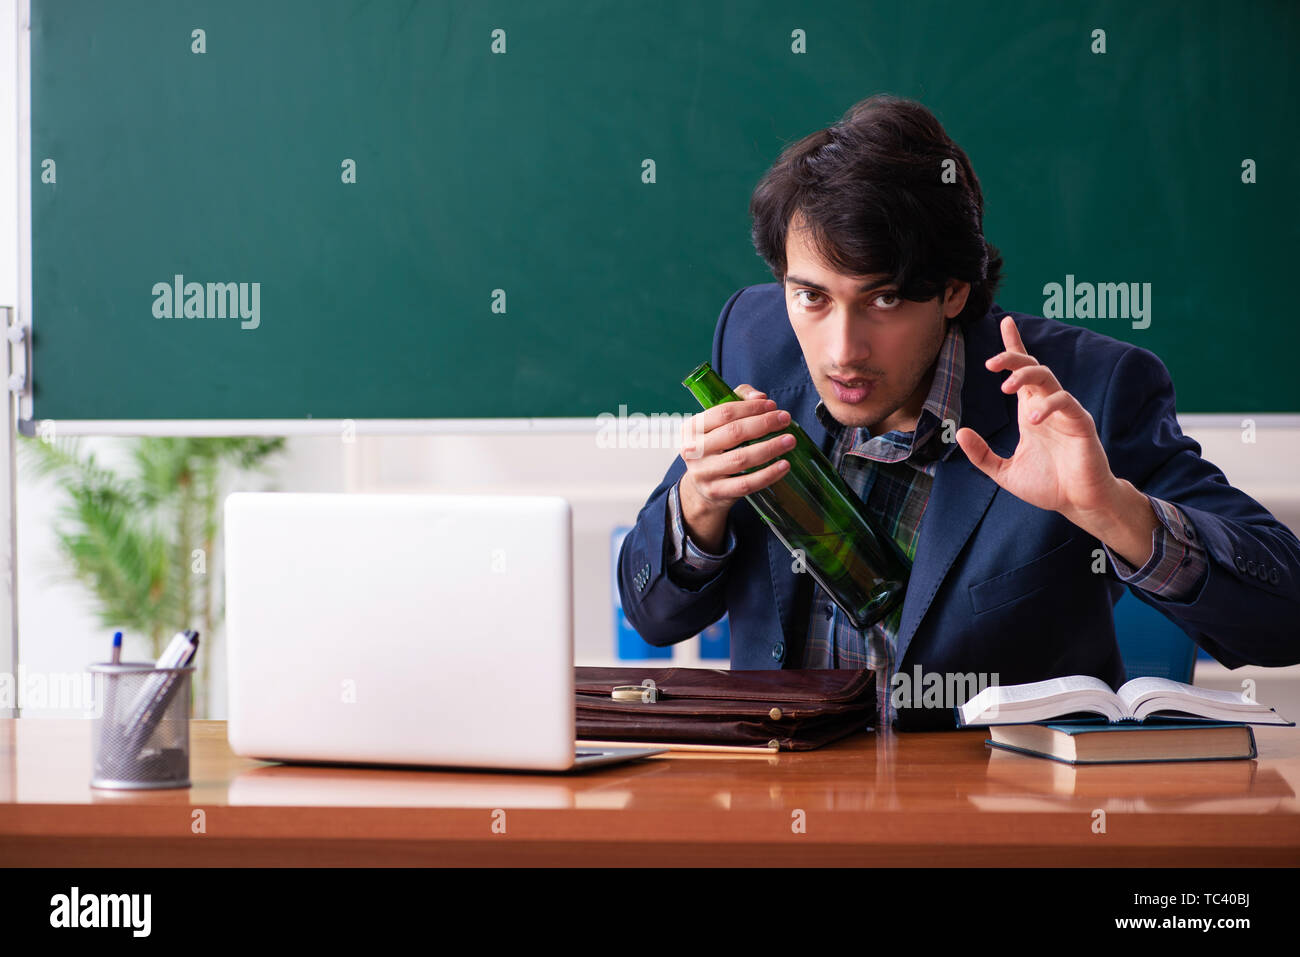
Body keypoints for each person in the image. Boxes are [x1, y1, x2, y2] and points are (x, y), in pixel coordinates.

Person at [616, 94, 1300, 730]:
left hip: (1002, 818)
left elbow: (1284, 615)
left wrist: (1115, 511)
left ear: (951, 291)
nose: (840, 350)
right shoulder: (754, 342)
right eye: (812, 297)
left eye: (883, 300)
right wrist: (696, 501)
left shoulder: (1089, 389)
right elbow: (652, 611)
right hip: (788, 807)